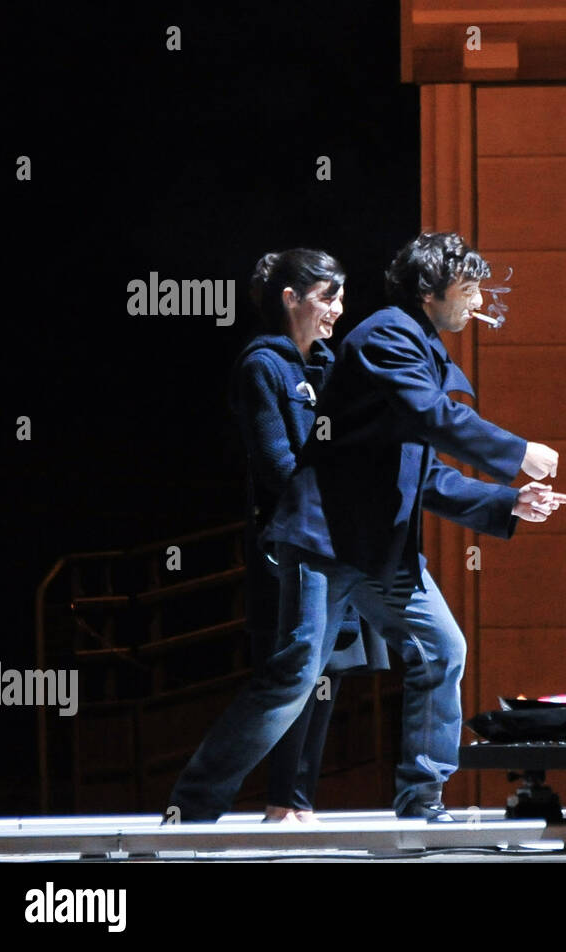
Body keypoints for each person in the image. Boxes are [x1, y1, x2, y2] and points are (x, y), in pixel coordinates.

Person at [168, 232, 566, 823]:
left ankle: (421, 799)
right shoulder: (387, 334)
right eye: (467, 288)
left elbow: (426, 475)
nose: (477, 300)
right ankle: (193, 804)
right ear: (429, 291)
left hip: (377, 549)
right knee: (293, 676)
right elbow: (433, 416)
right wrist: (516, 453)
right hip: (325, 538)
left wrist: (506, 502)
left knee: (443, 650)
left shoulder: (417, 348)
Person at [233, 249, 389, 822]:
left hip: (341, 545)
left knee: (328, 677)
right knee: (291, 675)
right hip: (291, 550)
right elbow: (276, 466)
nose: (338, 309)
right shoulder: (262, 366)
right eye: (328, 296)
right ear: (290, 298)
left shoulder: (335, 367)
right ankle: (274, 802)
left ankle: (298, 801)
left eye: (342, 296)